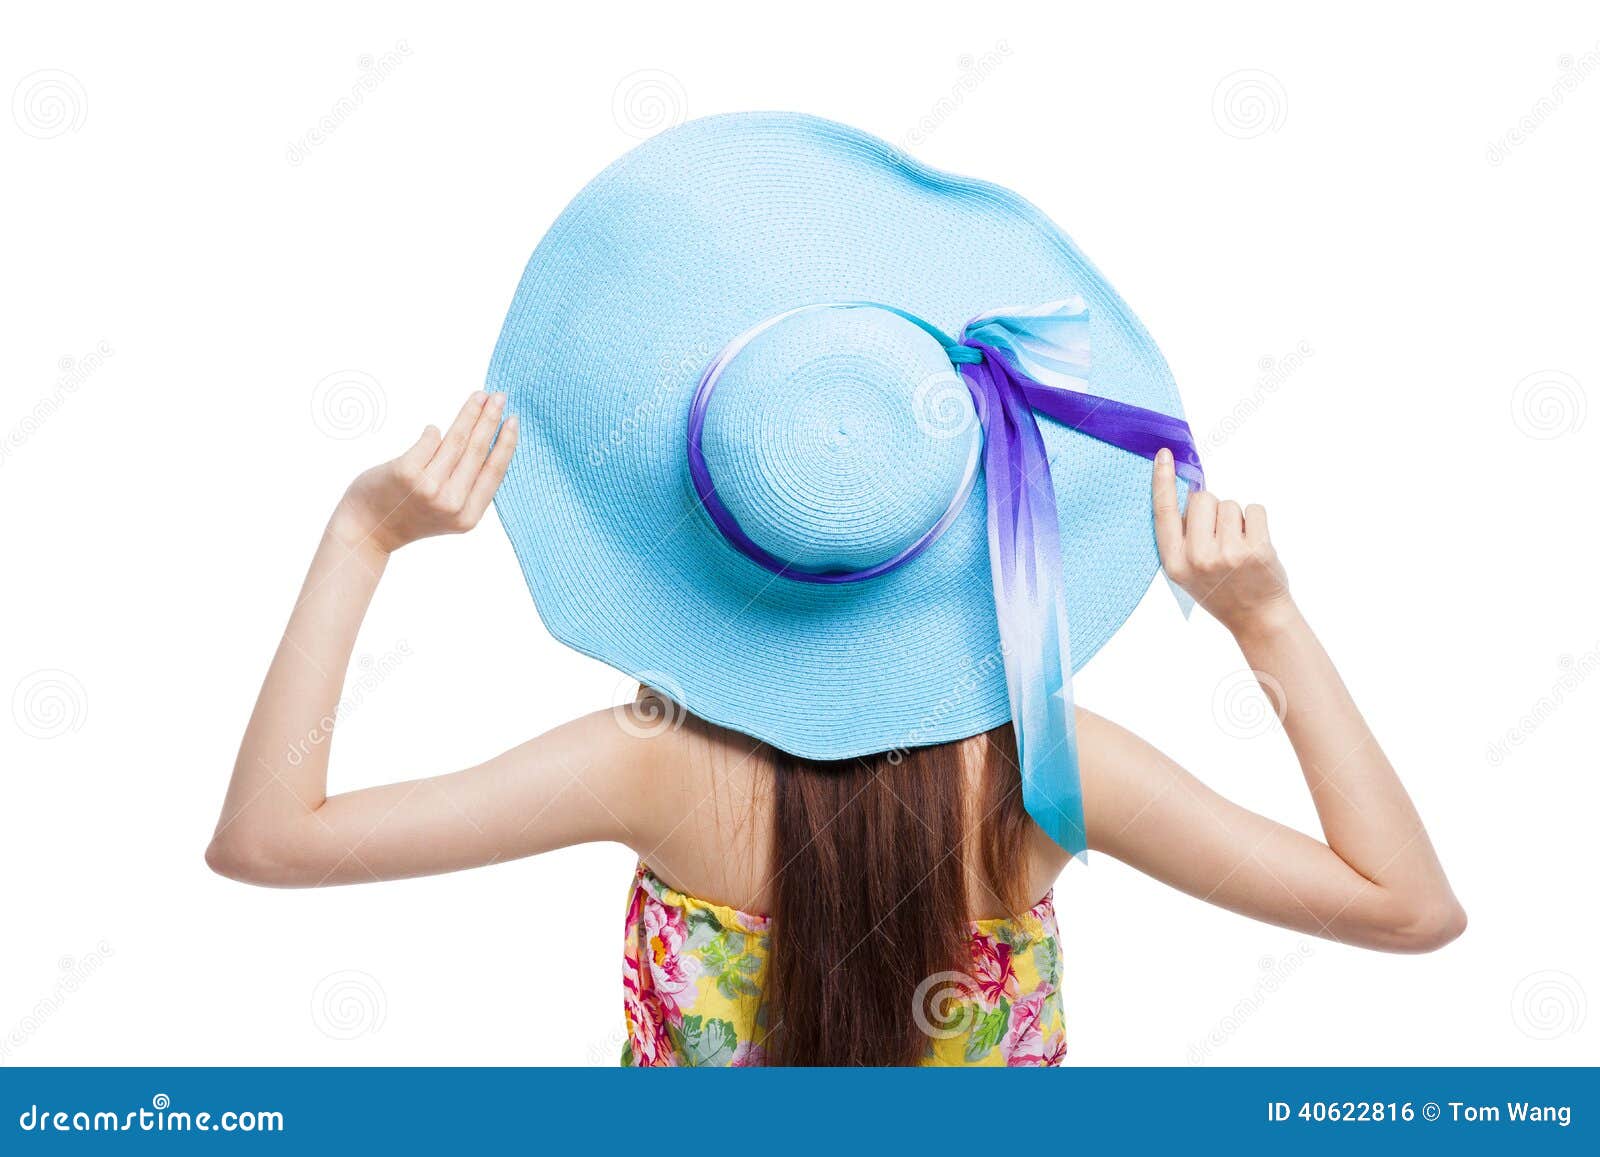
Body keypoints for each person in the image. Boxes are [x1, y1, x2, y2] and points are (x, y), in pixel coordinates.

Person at [207, 389, 1464, 1066]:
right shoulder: (1048, 767)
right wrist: (1267, 623)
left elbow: (271, 838)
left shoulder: (645, 762)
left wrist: (359, 537)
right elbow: (1407, 908)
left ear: (716, 541)